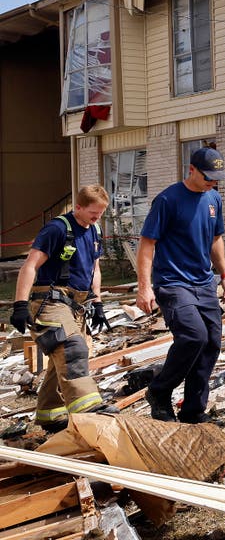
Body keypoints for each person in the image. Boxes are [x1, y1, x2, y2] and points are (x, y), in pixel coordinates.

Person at [136, 147, 225, 423]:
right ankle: (159, 391)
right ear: (191, 169)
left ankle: (193, 410)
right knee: (194, 336)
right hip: (173, 282)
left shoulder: (214, 197)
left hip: (204, 282)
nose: (213, 183)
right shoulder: (168, 200)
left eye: (217, 178)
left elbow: (216, 239)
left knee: (211, 342)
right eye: (208, 177)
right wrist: (144, 287)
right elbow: (147, 244)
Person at [9, 185, 120, 432]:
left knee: (60, 359)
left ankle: (51, 414)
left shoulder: (95, 230)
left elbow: (95, 268)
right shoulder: (57, 229)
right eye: (93, 213)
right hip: (49, 301)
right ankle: (87, 408)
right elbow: (30, 265)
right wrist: (20, 304)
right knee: (72, 347)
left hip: (76, 305)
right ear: (78, 207)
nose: (97, 218)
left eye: (101, 213)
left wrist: (98, 302)